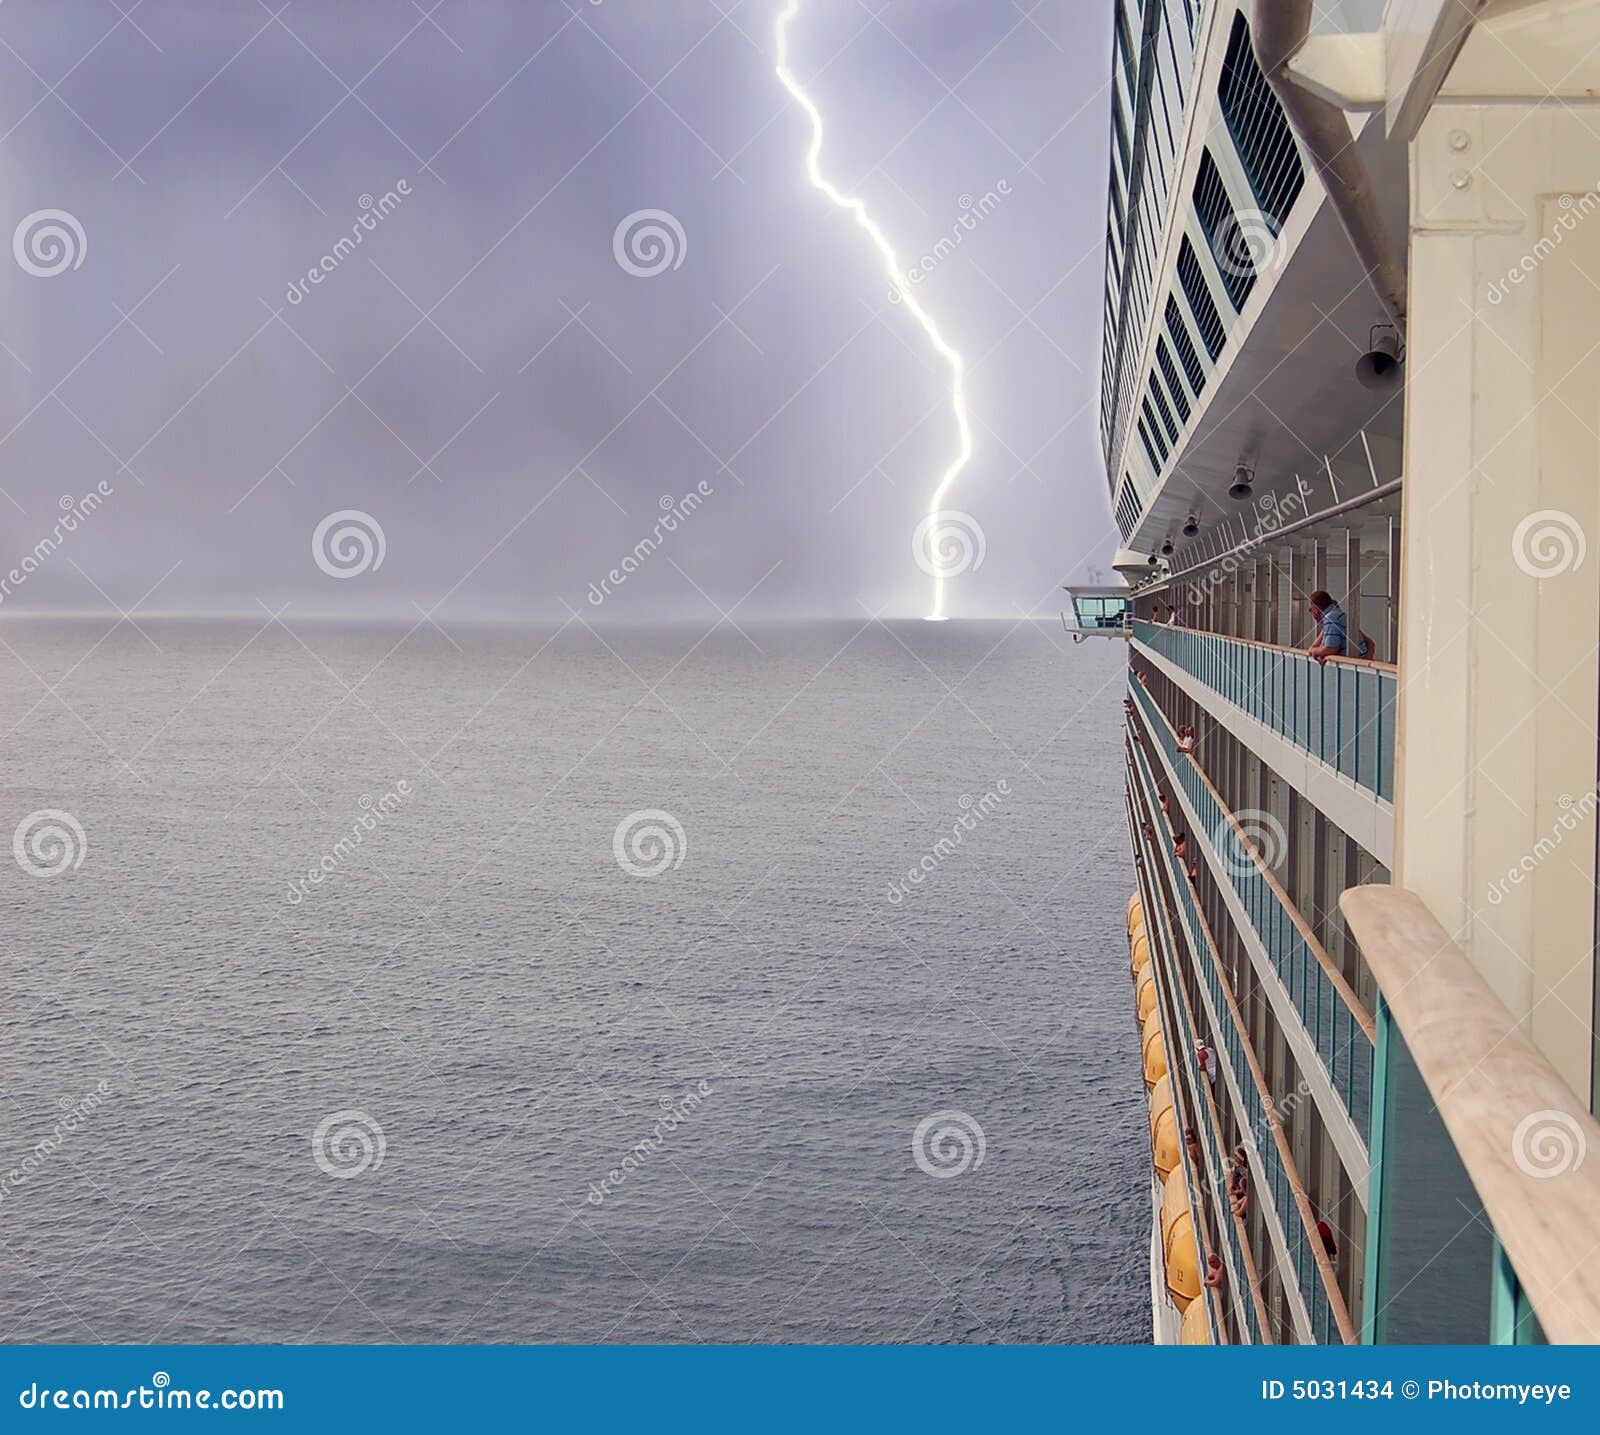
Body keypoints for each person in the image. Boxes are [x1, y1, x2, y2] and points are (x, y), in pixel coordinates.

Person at [1307, 590, 1373, 664]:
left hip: (1354, 665)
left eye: (1310, 610)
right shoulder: (1338, 615)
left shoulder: (1331, 618)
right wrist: (1320, 653)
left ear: (1315, 610)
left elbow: (1330, 649)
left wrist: (1312, 651)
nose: (1311, 613)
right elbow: (1370, 643)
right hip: (1359, 664)